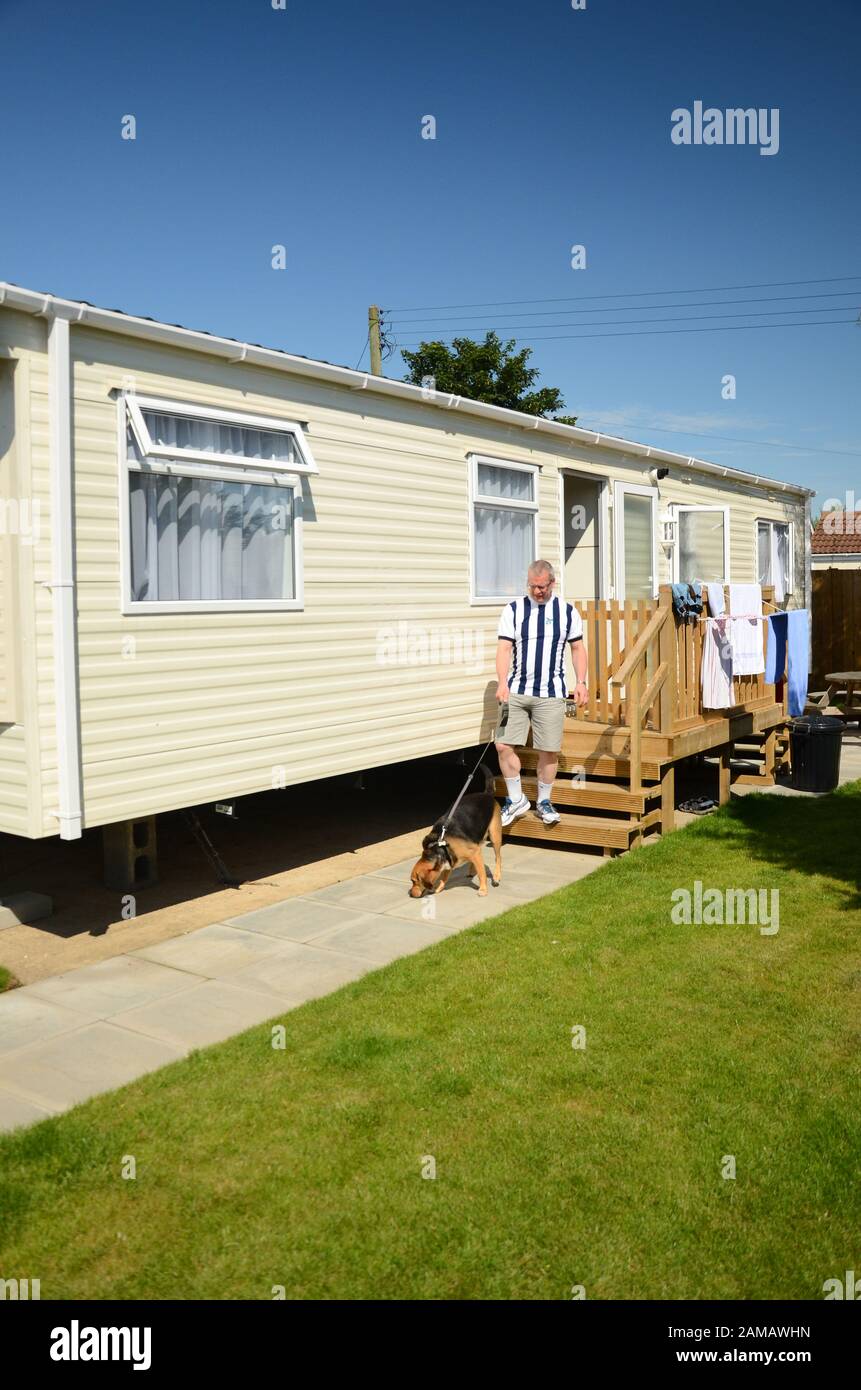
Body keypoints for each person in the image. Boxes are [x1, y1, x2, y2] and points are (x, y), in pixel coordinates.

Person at [495, 560, 588, 826]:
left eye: (542, 586)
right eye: (533, 586)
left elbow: (577, 649)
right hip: (516, 691)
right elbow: (504, 649)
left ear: (552, 583)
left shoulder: (567, 612)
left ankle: (544, 802)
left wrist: (580, 682)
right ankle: (516, 799)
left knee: (548, 750)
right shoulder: (513, 611)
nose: (537, 591)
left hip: (551, 693)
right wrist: (502, 682)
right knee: (502, 744)